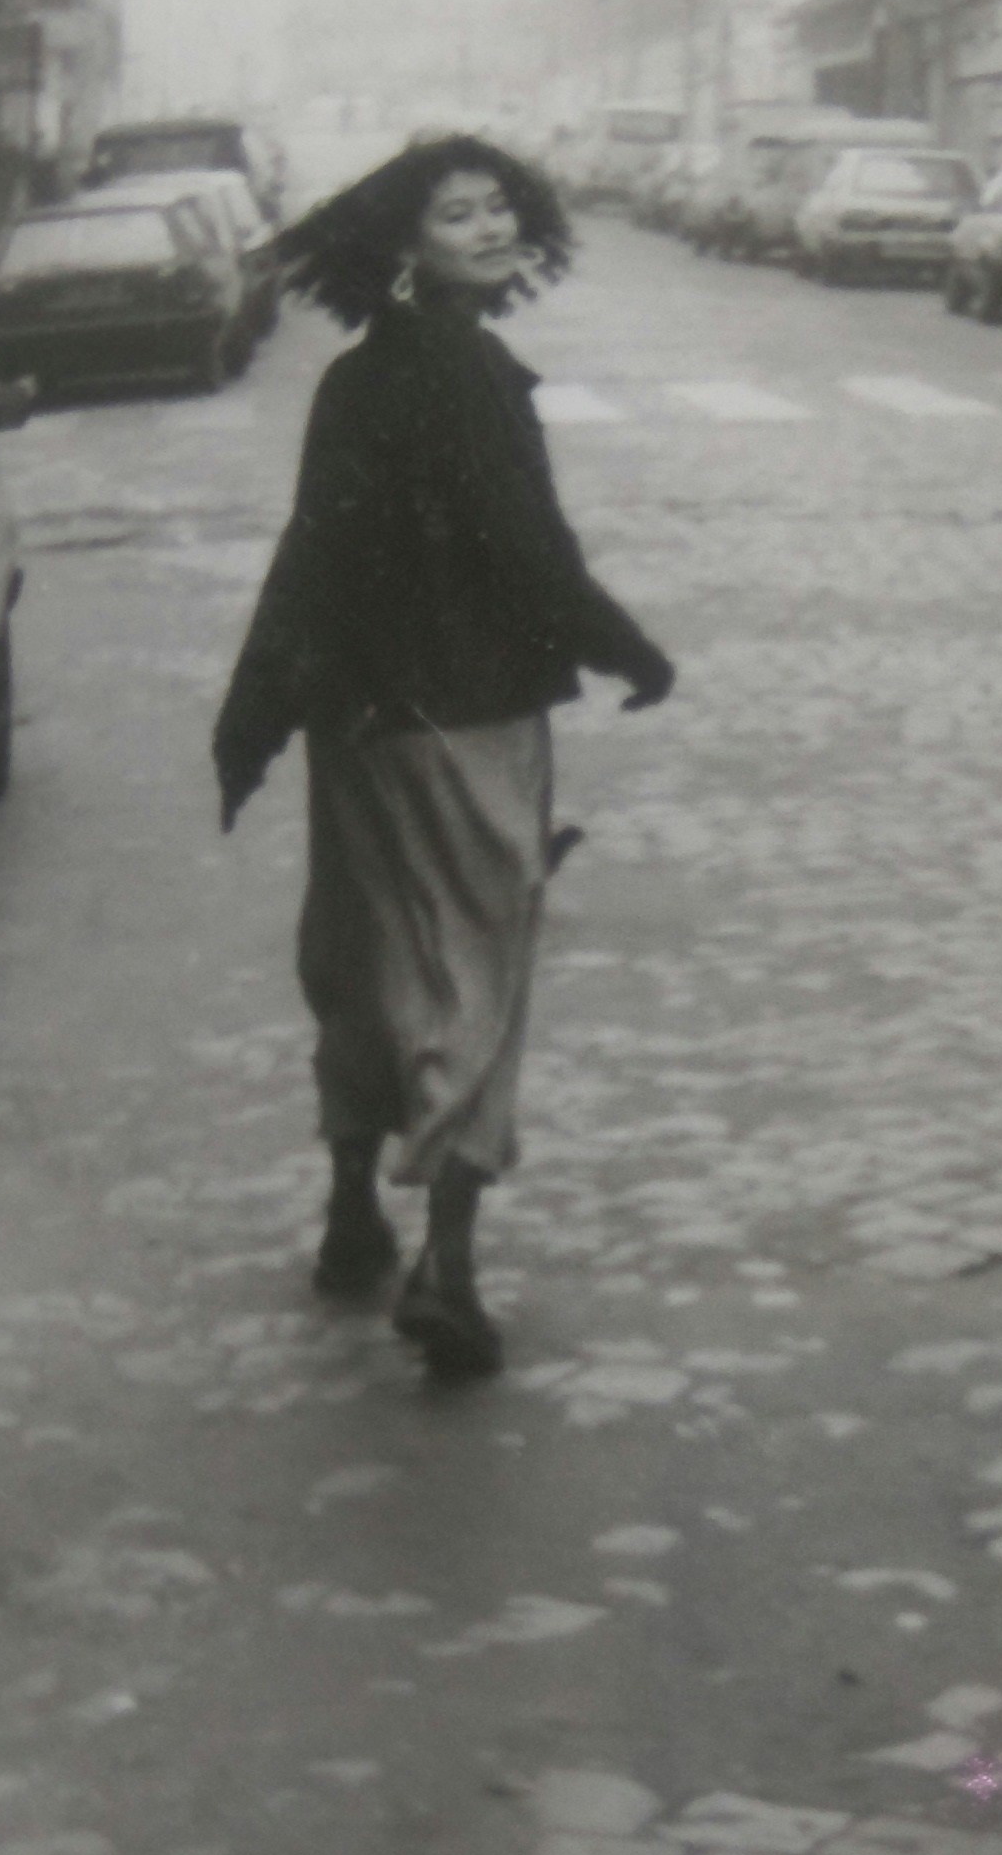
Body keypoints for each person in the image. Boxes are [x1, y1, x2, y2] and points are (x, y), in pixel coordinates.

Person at [211, 135, 674, 1380]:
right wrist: (629, 650)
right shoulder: (471, 376)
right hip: (468, 720)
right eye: (455, 214)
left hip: (357, 725)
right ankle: (448, 1267)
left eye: (495, 208)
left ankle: (353, 1211)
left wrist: (255, 719)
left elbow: (306, 561)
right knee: (476, 966)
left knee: (360, 959)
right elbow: (531, 552)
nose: (486, 227)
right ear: (403, 247)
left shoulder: (355, 383)